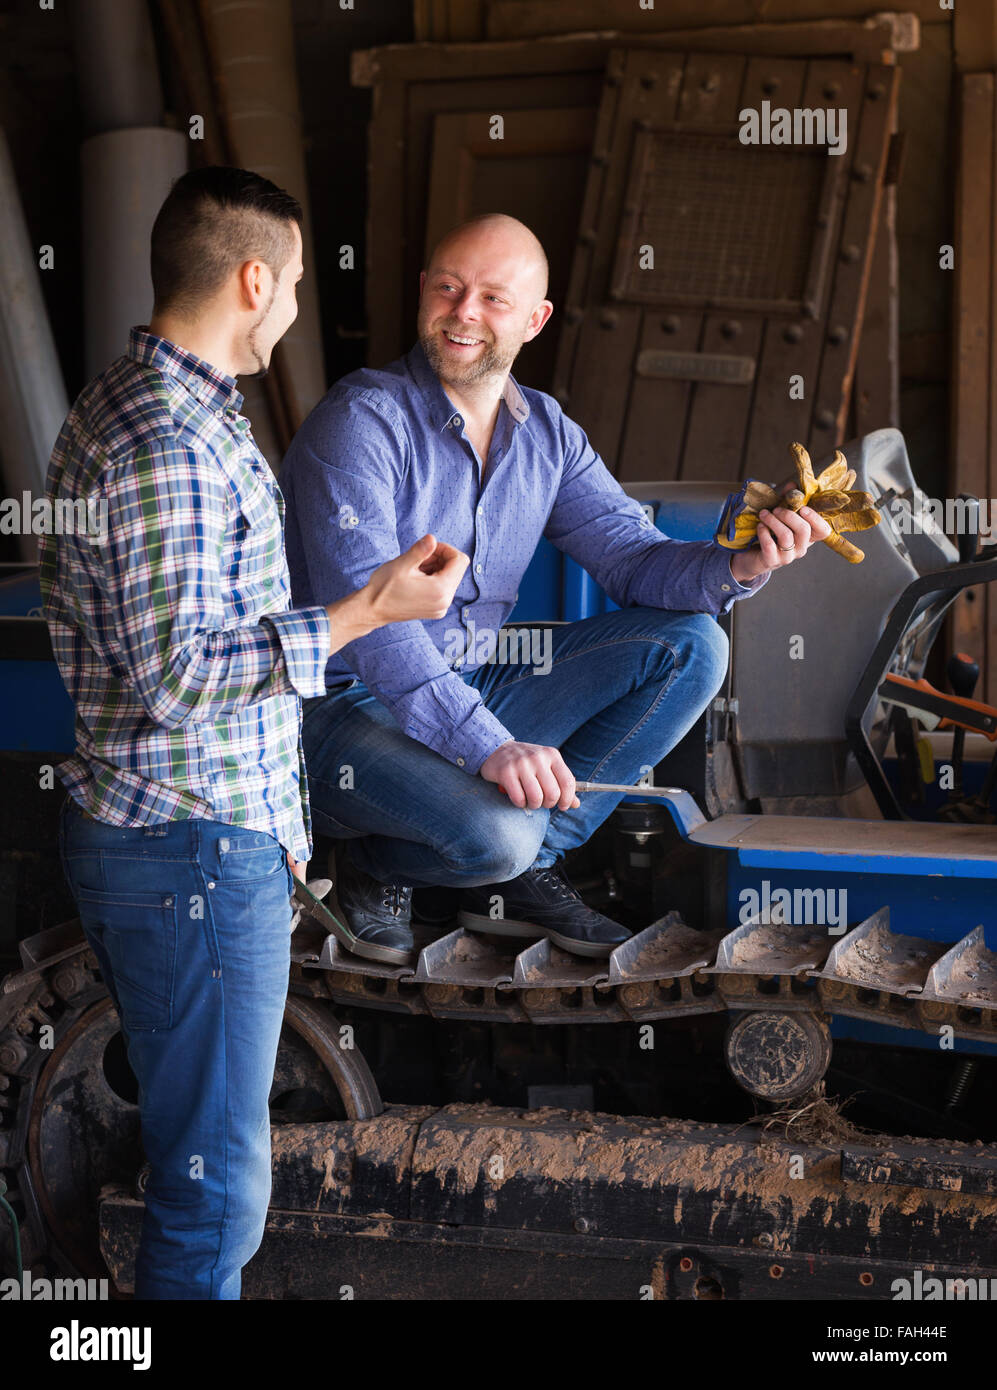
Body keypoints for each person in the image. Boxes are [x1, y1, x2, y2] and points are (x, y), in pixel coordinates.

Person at [39, 166, 468, 1300]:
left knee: (207, 1169)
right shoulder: (165, 445)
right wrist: (367, 610)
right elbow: (177, 676)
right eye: (294, 284)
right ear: (253, 280)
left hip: (190, 836)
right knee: (214, 1191)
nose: (295, 306)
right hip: (190, 844)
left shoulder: (166, 406)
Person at [280, 212, 832, 964]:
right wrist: (490, 746)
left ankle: (520, 867)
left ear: (534, 321)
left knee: (692, 645)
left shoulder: (546, 433)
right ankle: (377, 865)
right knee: (495, 831)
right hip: (342, 707)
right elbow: (377, 630)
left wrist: (737, 563)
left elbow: (633, 561)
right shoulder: (361, 422)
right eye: (448, 288)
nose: (463, 312)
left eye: (493, 298)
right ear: (423, 290)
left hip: (467, 680)